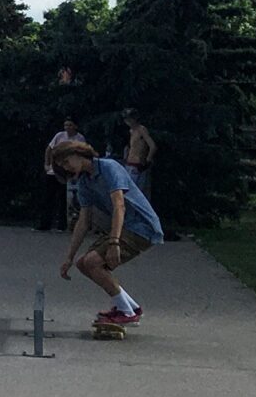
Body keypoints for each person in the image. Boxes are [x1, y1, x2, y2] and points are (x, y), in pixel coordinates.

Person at [53, 138, 164, 328]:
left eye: (66, 162)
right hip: (125, 228)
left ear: (78, 153)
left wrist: (114, 243)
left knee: (93, 262)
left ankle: (126, 313)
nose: (67, 168)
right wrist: (69, 258)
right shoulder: (84, 183)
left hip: (142, 227)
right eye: (62, 166)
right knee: (82, 264)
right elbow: (84, 220)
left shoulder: (108, 167)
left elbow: (119, 205)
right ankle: (130, 307)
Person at [39, 116, 83, 230]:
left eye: (70, 125)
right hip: (54, 170)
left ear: (75, 126)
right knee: (48, 197)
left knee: (63, 199)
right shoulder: (60, 136)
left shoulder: (79, 138)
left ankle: (62, 225)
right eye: (66, 125)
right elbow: (49, 149)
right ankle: (45, 224)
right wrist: (47, 164)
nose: (67, 128)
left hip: (67, 171)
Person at [121, 108, 156, 188]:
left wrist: (148, 160)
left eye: (129, 118)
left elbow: (152, 146)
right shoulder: (131, 131)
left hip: (138, 166)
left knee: (135, 193)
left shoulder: (141, 129)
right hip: (129, 164)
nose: (127, 121)